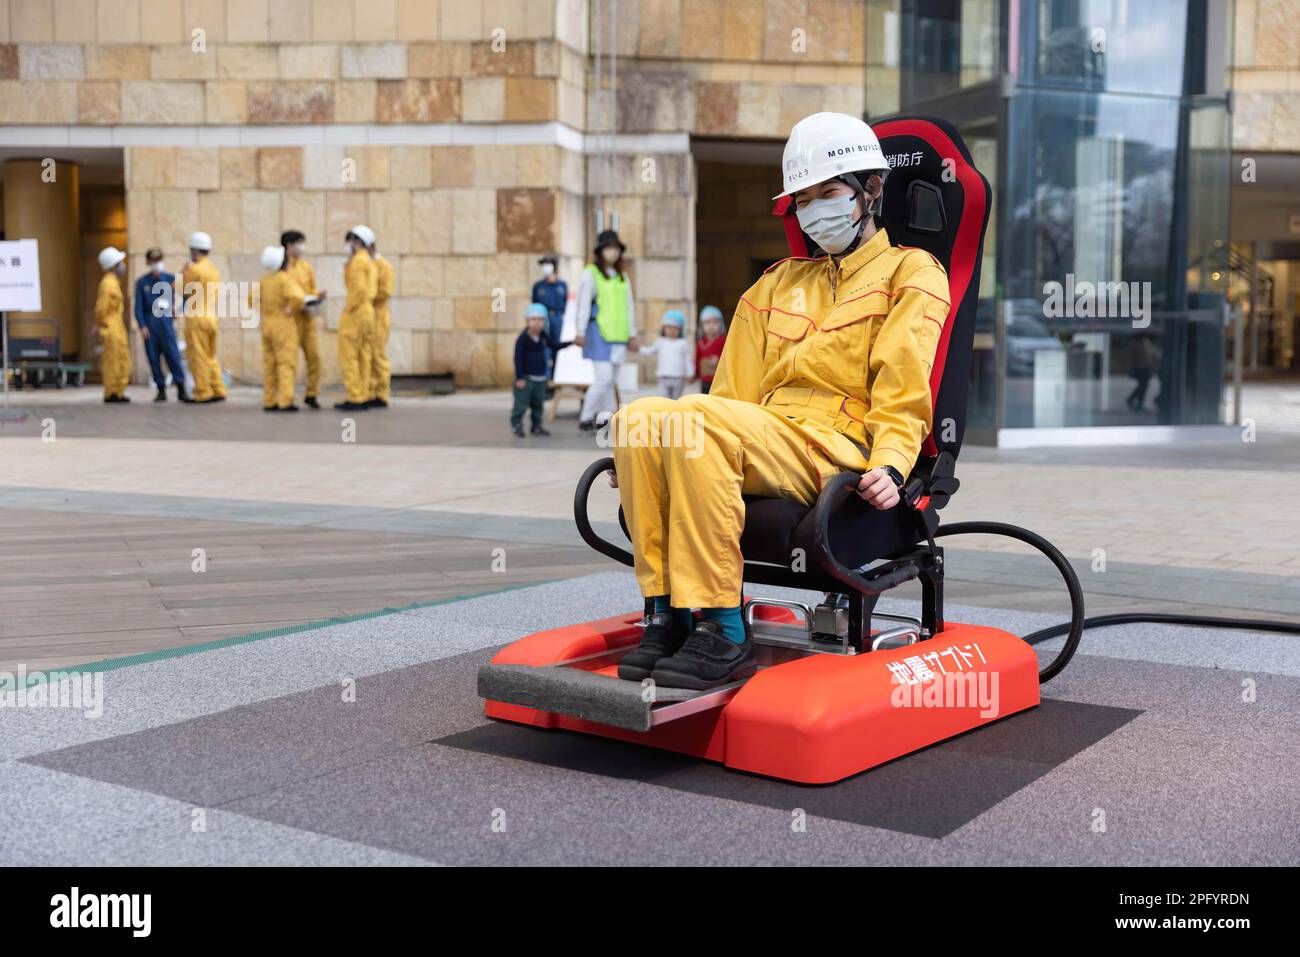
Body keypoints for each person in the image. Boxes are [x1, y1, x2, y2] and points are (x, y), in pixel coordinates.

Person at [608, 111, 951, 690]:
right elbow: (729, 398)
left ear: (872, 188)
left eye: (830, 192)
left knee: (689, 421)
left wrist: (893, 463)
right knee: (640, 419)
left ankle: (722, 628)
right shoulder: (776, 283)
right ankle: (665, 615)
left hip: (836, 446)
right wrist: (656, 447)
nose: (816, 209)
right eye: (803, 198)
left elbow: (904, 383)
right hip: (765, 435)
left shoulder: (910, 272)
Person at [574, 229, 637, 431]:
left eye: (616, 248)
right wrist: (580, 330)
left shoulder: (622, 276)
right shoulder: (591, 273)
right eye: (609, 248)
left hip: (619, 335)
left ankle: (607, 420)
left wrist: (632, 333)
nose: (613, 252)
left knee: (611, 381)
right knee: (603, 379)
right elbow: (583, 303)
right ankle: (585, 418)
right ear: (600, 251)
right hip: (598, 333)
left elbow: (629, 306)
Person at [133, 248, 192, 403]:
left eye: (158, 261)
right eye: (153, 261)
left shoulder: (170, 279)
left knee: (173, 355)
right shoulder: (142, 282)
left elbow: (187, 295)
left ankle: (181, 388)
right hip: (150, 326)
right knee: (153, 358)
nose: (156, 264)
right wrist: (142, 325)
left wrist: (179, 311)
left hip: (166, 324)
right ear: (147, 263)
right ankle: (160, 390)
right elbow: (138, 306)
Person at [255, 244, 306, 412]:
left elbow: (250, 299)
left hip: (267, 324)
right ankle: (285, 401)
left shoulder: (263, 279)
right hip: (283, 324)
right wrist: (290, 309)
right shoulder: (284, 278)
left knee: (269, 364)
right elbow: (298, 297)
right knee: (286, 363)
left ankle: (270, 400)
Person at [334, 225, 377, 412]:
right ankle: (364, 393)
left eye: (351, 240)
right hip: (367, 312)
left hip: (356, 312)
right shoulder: (368, 260)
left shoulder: (359, 262)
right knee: (363, 355)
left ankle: (355, 396)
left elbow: (357, 289)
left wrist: (349, 308)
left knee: (349, 356)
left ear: (357, 241)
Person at [181, 230, 227, 404]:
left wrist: (183, 272)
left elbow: (180, 288)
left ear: (194, 250)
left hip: (196, 318)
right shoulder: (213, 270)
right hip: (211, 317)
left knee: (198, 356)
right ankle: (218, 388)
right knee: (210, 355)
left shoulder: (194, 269)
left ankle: (203, 392)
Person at [281, 230, 324, 409]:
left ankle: (311, 393)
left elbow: (311, 289)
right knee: (289, 360)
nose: (301, 247)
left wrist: (317, 297)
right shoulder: (281, 267)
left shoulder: (306, 267)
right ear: (289, 246)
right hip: (290, 320)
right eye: (299, 243)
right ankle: (286, 396)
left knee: (315, 358)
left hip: (307, 319)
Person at [511, 302, 563, 438]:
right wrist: (519, 378)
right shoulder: (523, 339)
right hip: (526, 379)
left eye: (540, 320)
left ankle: (536, 426)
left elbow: (555, 346)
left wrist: (571, 343)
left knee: (538, 405)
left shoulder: (543, 337)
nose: (537, 323)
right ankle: (517, 424)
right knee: (521, 405)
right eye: (533, 319)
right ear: (527, 321)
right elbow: (517, 359)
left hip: (540, 378)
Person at [94, 246, 132, 403]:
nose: (123, 265)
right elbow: (101, 308)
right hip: (111, 327)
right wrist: (101, 325)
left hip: (117, 326)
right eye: (120, 263)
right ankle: (111, 392)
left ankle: (118, 391)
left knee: (121, 359)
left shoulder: (114, 283)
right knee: (112, 361)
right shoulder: (107, 284)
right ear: (114, 265)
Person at [637, 309, 694, 399]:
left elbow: (687, 359)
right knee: (663, 399)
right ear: (664, 328)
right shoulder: (660, 342)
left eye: (675, 328)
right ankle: (666, 413)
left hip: (678, 377)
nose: (672, 330)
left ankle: (674, 413)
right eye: (669, 327)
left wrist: (691, 373)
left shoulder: (683, 343)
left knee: (676, 400)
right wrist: (638, 349)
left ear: (680, 329)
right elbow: (650, 351)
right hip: (663, 377)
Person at [531, 252, 567, 383]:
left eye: (547, 264)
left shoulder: (562, 285)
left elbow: (565, 304)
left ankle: (554, 379)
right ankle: (545, 379)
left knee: (556, 348)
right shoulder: (538, 286)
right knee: (544, 349)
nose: (545, 267)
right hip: (543, 319)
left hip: (557, 318)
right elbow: (534, 305)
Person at [366, 236, 394, 409]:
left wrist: (366, 296)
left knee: (378, 355)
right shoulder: (366, 264)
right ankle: (369, 391)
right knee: (367, 355)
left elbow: (385, 291)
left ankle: (381, 393)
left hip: (378, 315)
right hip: (367, 314)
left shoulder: (383, 266)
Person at [695, 304, 726, 395]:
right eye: (707, 323)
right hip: (704, 379)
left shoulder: (724, 340)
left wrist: (719, 360)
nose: (711, 326)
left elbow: (728, 357)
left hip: (719, 379)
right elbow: (697, 359)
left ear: (721, 323)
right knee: (705, 398)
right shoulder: (700, 343)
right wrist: (694, 373)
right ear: (701, 325)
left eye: (715, 322)